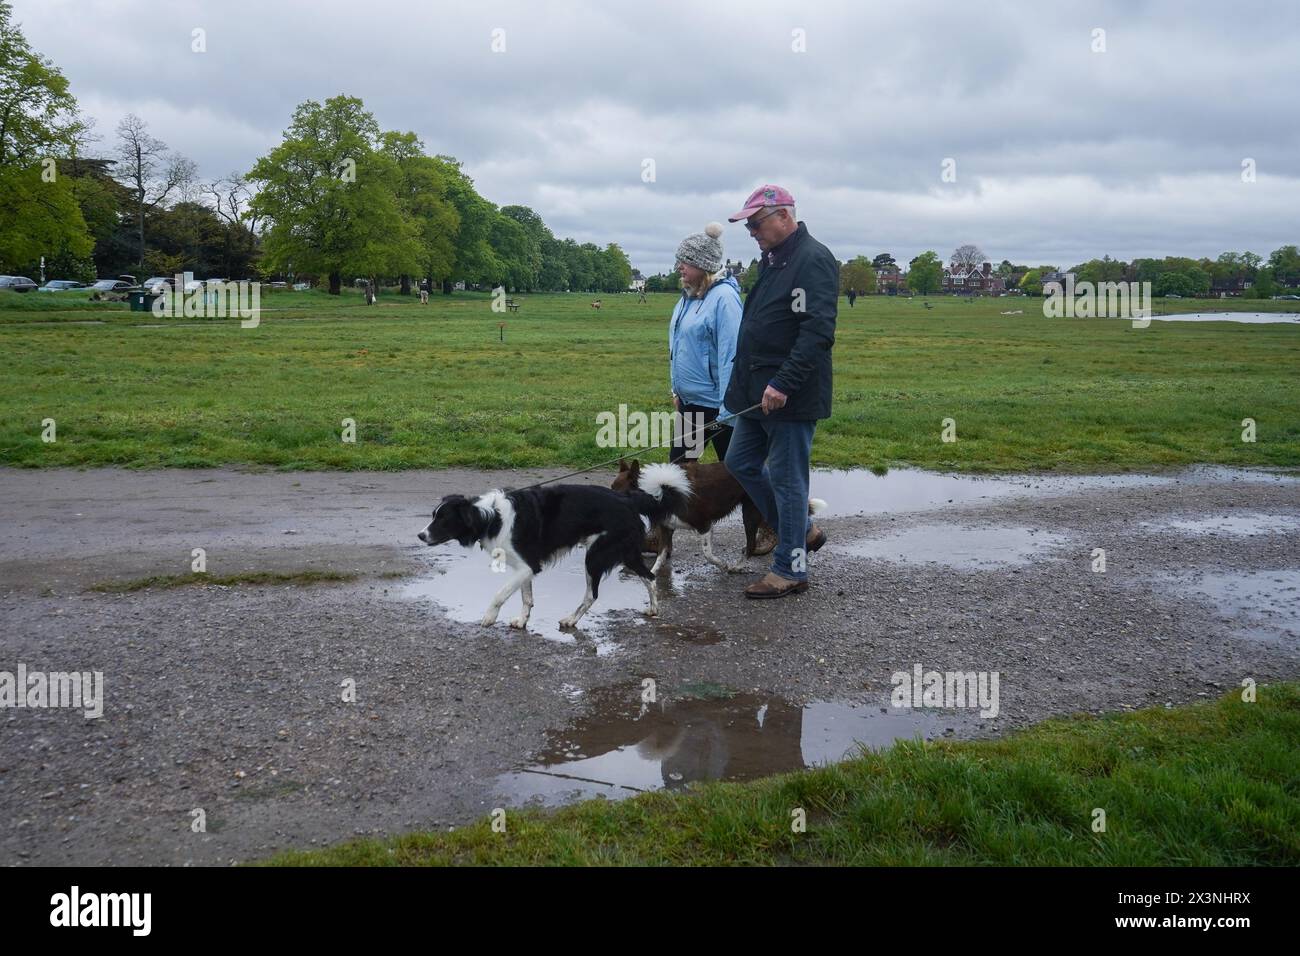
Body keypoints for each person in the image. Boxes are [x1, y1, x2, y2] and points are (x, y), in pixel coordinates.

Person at [722, 185, 836, 599]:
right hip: (757, 393)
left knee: (789, 484)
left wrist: (783, 383)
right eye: (748, 224)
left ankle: (790, 569)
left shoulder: (812, 259)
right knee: (740, 461)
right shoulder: (774, 259)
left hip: (789, 396)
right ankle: (802, 530)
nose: (751, 230)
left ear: (784, 216)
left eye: (756, 222)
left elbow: (817, 332)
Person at [662, 221, 776, 554]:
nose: (679, 267)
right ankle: (660, 536)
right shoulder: (686, 298)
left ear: (703, 265)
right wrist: (676, 389)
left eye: (685, 261)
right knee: (675, 474)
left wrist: (730, 409)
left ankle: (770, 527)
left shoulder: (724, 299)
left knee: (744, 471)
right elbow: (677, 346)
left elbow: (732, 356)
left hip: (724, 406)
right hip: (692, 403)